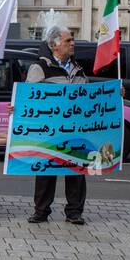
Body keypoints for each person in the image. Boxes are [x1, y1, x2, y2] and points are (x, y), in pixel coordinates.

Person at [26, 26, 88, 225]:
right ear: (55, 45)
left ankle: (74, 212)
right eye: (68, 40)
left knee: (76, 171)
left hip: (74, 130)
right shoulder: (40, 68)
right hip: (49, 131)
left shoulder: (79, 69)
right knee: (46, 170)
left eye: (72, 40)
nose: (73, 43)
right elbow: (28, 99)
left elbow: (88, 99)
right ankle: (41, 211)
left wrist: (114, 95)